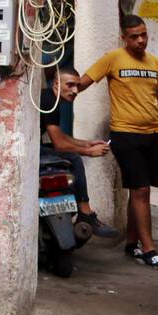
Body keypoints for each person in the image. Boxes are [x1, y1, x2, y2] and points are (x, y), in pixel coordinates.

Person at [77, 15, 158, 268]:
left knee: (137, 189)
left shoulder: (155, 63)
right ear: (124, 38)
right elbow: (83, 82)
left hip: (153, 135)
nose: (141, 40)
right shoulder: (113, 59)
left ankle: (131, 244)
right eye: (134, 37)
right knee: (141, 191)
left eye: (144, 35)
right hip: (125, 135)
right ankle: (149, 249)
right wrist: (60, 91)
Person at [40, 65, 117, 237]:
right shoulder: (49, 101)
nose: (75, 90)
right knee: (73, 158)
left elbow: (60, 135)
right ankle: (85, 213)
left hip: (37, 147)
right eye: (70, 85)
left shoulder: (51, 99)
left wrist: (87, 143)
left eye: (77, 85)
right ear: (57, 84)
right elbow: (60, 145)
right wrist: (88, 152)